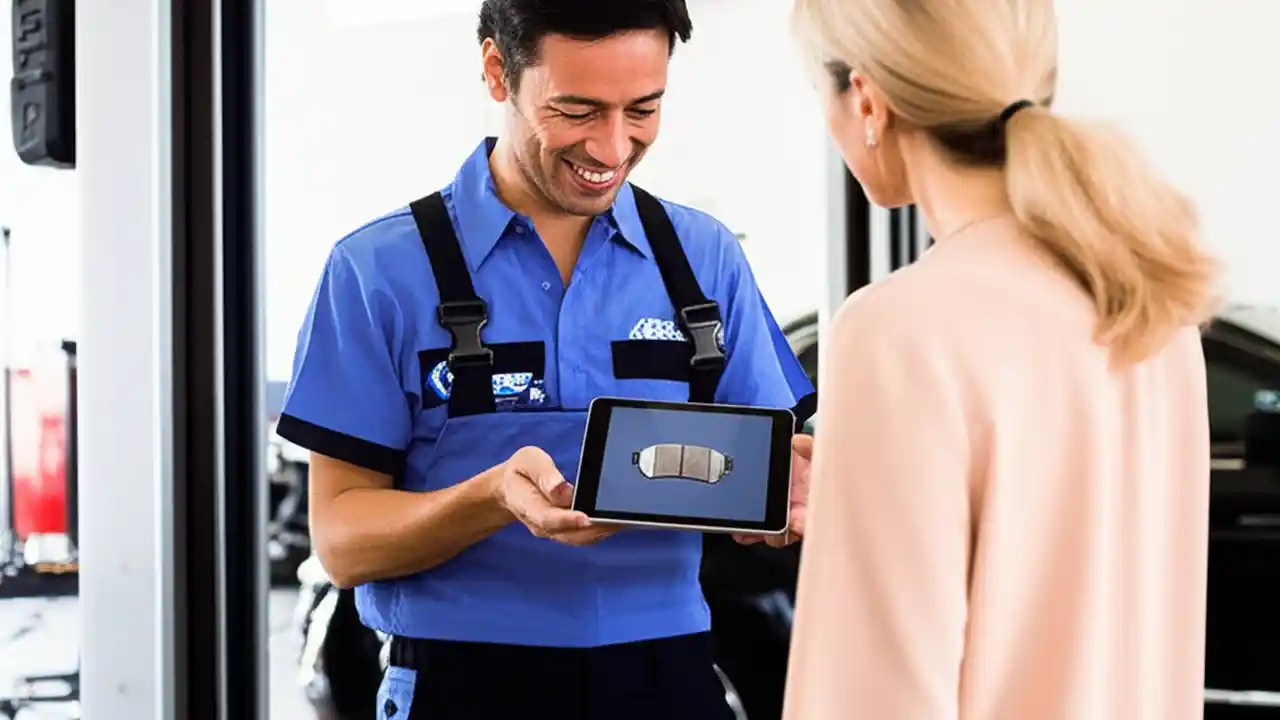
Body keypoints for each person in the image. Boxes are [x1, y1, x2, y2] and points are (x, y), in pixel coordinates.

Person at [275, 2, 815, 718]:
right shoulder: (377, 271)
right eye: (578, 111)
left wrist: (789, 493)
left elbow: (763, 467)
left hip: (670, 678)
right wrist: (491, 497)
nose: (613, 147)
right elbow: (341, 543)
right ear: (498, 70)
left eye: (643, 109)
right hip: (458, 683)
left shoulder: (703, 258)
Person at [782, 1, 1219, 719]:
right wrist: (877, 486)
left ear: (866, 100)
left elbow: (872, 696)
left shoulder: (898, 329)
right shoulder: (1152, 308)